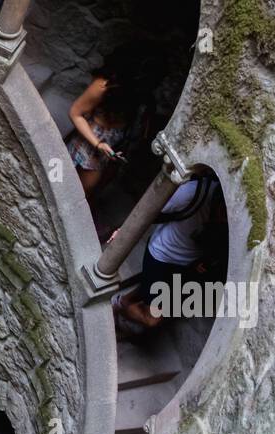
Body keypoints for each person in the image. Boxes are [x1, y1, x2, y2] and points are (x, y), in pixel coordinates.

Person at [112, 171, 223, 336]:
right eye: (222, 214)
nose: (224, 220)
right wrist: (125, 229)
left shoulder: (229, 217)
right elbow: (151, 210)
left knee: (150, 289)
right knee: (152, 318)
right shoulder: (191, 193)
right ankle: (119, 306)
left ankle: (125, 302)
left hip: (187, 264)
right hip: (162, 255)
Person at [67, 43, 156, 209]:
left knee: (79, 201)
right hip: (85, 147)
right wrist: (98, 144)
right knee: (64, 189)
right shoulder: (103, 86)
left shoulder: (138, 100)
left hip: (106, 156)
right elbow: (75, 112)